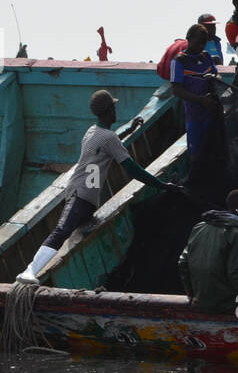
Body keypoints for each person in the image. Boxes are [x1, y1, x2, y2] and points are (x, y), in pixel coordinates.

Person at [16, 90, 180, 283]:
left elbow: (110, 141)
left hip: (84, 196)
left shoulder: (93, 132)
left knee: (67, 229)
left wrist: (130, 130)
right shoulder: (108, 139)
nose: (115, 111)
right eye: (114, 108)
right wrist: (162, 185)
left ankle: (32, 270)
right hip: (81, 194)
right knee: (62, 230)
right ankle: (30, 271)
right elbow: (133, 170)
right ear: (109, 111)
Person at [167, 24, 221, 165]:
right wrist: (201, 100)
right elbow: (177, 90)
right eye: (198, 42)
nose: (201, 46)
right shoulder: (179, 61)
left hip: (211, 111)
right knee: (196, 153)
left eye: (204, 43)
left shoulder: (206, 56)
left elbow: (215, 77)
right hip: (194, 114)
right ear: (189, 39)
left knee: (213, 149)